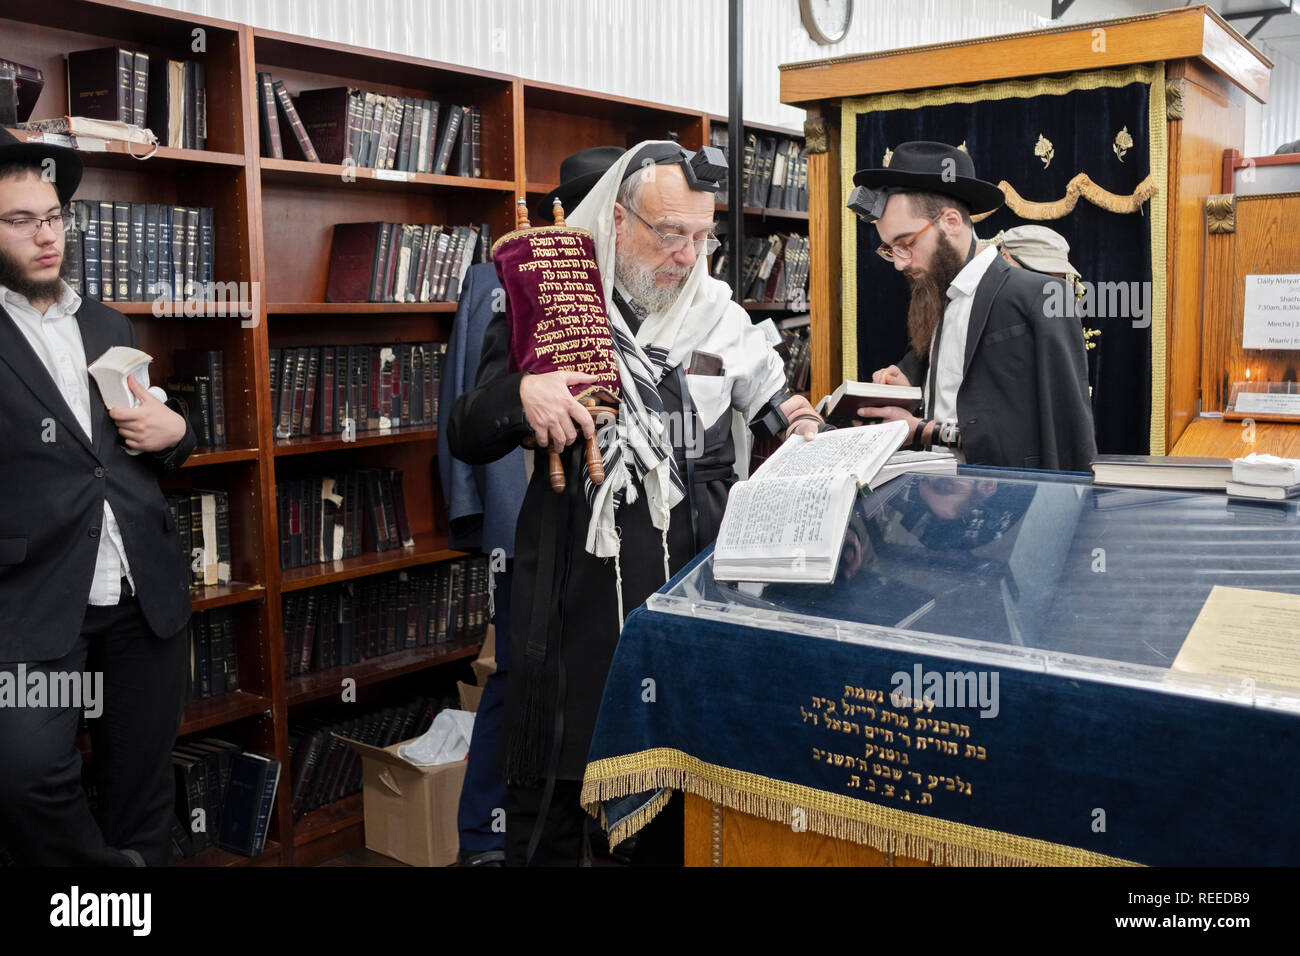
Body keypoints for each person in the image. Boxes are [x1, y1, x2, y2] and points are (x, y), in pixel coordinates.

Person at [448, 140, 823, 865]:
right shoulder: (550, 311)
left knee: (670, 826)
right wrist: (522, 394)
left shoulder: (720, 316)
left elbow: (781, 409)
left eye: (701, 236)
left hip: (691, 609)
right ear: (616, 222)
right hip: (573, 613)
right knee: (556, 820)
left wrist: (810, 430)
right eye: (668, 234)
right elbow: (469, 430)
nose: (688, 256)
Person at [0, 128, 196, 865]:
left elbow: (136, 444)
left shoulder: (104, 321)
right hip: (30, 604)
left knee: (140, 788)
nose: (46, 236)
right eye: (21, 221)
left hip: (141, 597)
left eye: (53, 217)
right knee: (27, 775)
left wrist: (175, 430)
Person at [439, 146, 624, 867]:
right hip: (529, 518)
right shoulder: (508, 275)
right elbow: (466, 399)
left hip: (609, 543)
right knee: (520, 681)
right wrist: (473, 517)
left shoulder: (644, 292)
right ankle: (484, 832)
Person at [849, 141, 1096, 471]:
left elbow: (1063, 435)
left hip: (1012, 506)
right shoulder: (938, 292)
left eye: (906, 244)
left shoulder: (1039, 297)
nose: (898, 264)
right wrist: (909, 384)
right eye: (890, 250)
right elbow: (960, 387)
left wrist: (922, 430)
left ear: (951, 222)